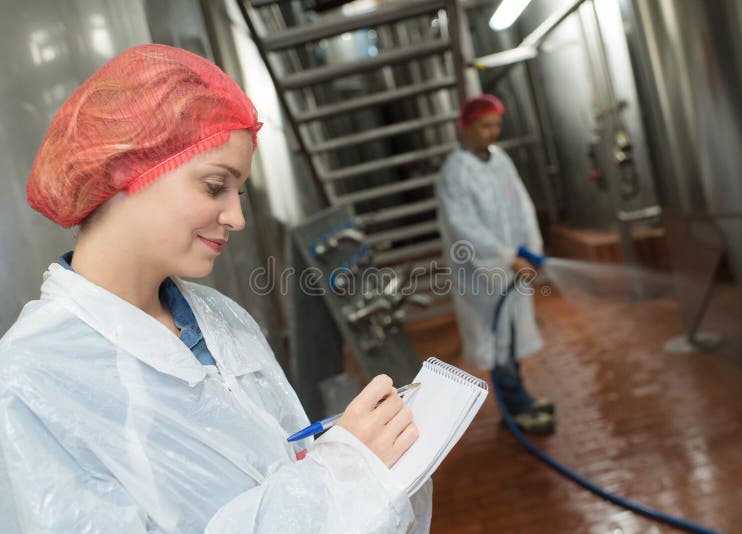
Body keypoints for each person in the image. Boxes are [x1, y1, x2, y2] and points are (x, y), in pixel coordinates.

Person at [0, 44, 431, 533]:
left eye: (238, 190)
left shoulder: (221, 318)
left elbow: (285, 468)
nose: (237, 218)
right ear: (125, 168)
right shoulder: (27, 384)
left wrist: (357, 460)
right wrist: (338, 475)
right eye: (213, 186)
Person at [437, 94, 555, 434]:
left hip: (512, 266)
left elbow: (521, 204)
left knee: (511, 335)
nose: (493, 132)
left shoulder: (500, 159)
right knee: (497, 339)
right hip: (482, 274)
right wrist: (504, 256)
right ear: (466, 127)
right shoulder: (455, 172)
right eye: (485, 126)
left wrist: (530, 249)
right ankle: (516, 409)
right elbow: (463, 225)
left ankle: (519, 399)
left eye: (496, 125)